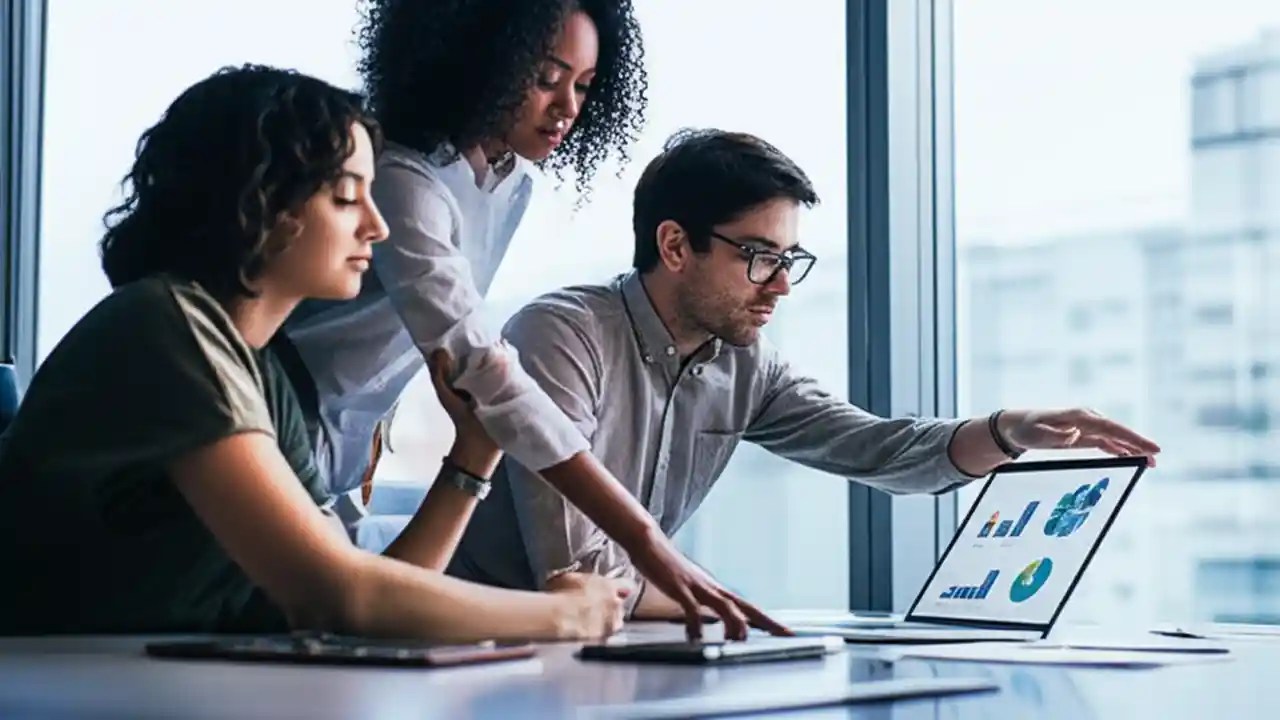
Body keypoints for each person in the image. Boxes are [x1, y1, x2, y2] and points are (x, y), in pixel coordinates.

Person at [0, 64, 629, 641]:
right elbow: (340, 598)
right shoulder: (166, 327)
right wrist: (565, 614)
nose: (377, 227)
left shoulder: (264, 374)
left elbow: (355, 591)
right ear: (263, 202)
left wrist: (473, 455)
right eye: (348, 196)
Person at [446, 128, 1164, 620]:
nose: (781, 285)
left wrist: (1010, 431)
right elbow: (576, 573)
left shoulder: (745, 364)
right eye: (760, 257)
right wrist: (735, 606)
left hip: (612, 654)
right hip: (476, 647)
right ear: (674, 245)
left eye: (790, 260)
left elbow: (881, 449)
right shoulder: (562, 334)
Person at [278, 1, 782, 639]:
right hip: (283, 422)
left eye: (584, 85)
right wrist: (644, 538)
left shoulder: (510, 183)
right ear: (480, 61)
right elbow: (484, 369)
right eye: (547, 78)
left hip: (343, 457)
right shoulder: (405, 183)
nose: (568, 107)